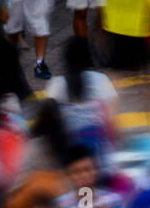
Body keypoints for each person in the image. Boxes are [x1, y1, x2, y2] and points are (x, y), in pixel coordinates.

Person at [44, 36, 119, 170]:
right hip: (101, 161)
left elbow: (49, 125)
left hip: (71, 164)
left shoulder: (55, 85)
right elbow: (111, 125)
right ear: (90, 56)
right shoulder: (102, 80)